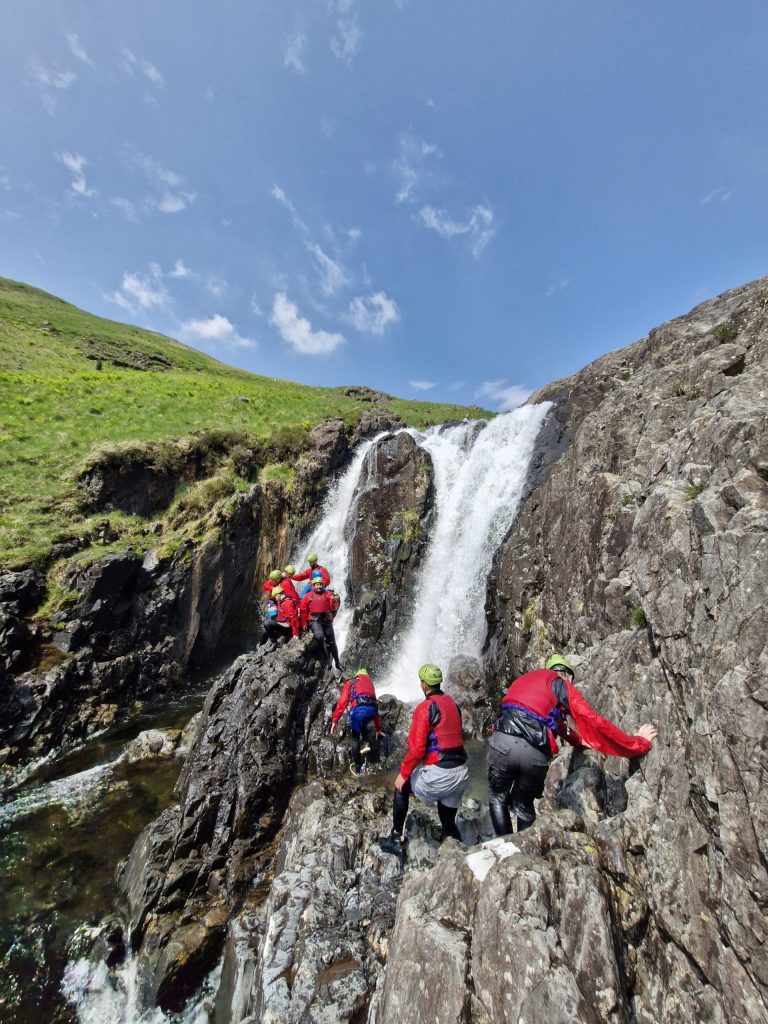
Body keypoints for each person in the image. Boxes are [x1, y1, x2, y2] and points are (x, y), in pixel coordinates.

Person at [487, 654, 658, 836]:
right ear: (567, 676)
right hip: (534, 752)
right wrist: (636, 744)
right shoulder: (560, 684)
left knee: (498, 797)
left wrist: (577, 740)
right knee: (524, 804)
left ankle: (504, 847)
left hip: (502, 742)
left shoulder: (524, 680)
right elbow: (593, 720)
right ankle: (522, 851)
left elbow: (549, 720)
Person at [379, 664, 469, 855]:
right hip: (461, 774)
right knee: (447, 817)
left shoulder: (425, 708)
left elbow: (418, 748)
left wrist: (403, 773)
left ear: (424, 686)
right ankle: (450, 838)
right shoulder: (453, 704)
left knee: (401, 787)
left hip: (440, 775)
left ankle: (395, 837)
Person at [330, 668, 382, 776]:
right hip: (372, 711)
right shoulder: (370, 684)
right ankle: (369, 746)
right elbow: (375, 705)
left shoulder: (351, 682)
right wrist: (378, 729)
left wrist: (335, 721)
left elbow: (342, 702)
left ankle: (358, 767)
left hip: (358, 712)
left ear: (357, 675)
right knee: (365, 721)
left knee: (355, 738)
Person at [300, 576, 343, 670]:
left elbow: (333, 608)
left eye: (320, 584)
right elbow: (303, 610)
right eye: (316, 585)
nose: (318, 586)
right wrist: (304, 623)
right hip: (315, 620)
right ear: (313, 586)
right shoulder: (308, 596)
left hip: (326, 620)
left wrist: (335, 600)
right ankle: (327, 660)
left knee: (332, 641)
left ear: (323, 585)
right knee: (319, 636)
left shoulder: (328, 594)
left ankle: (337, 662)